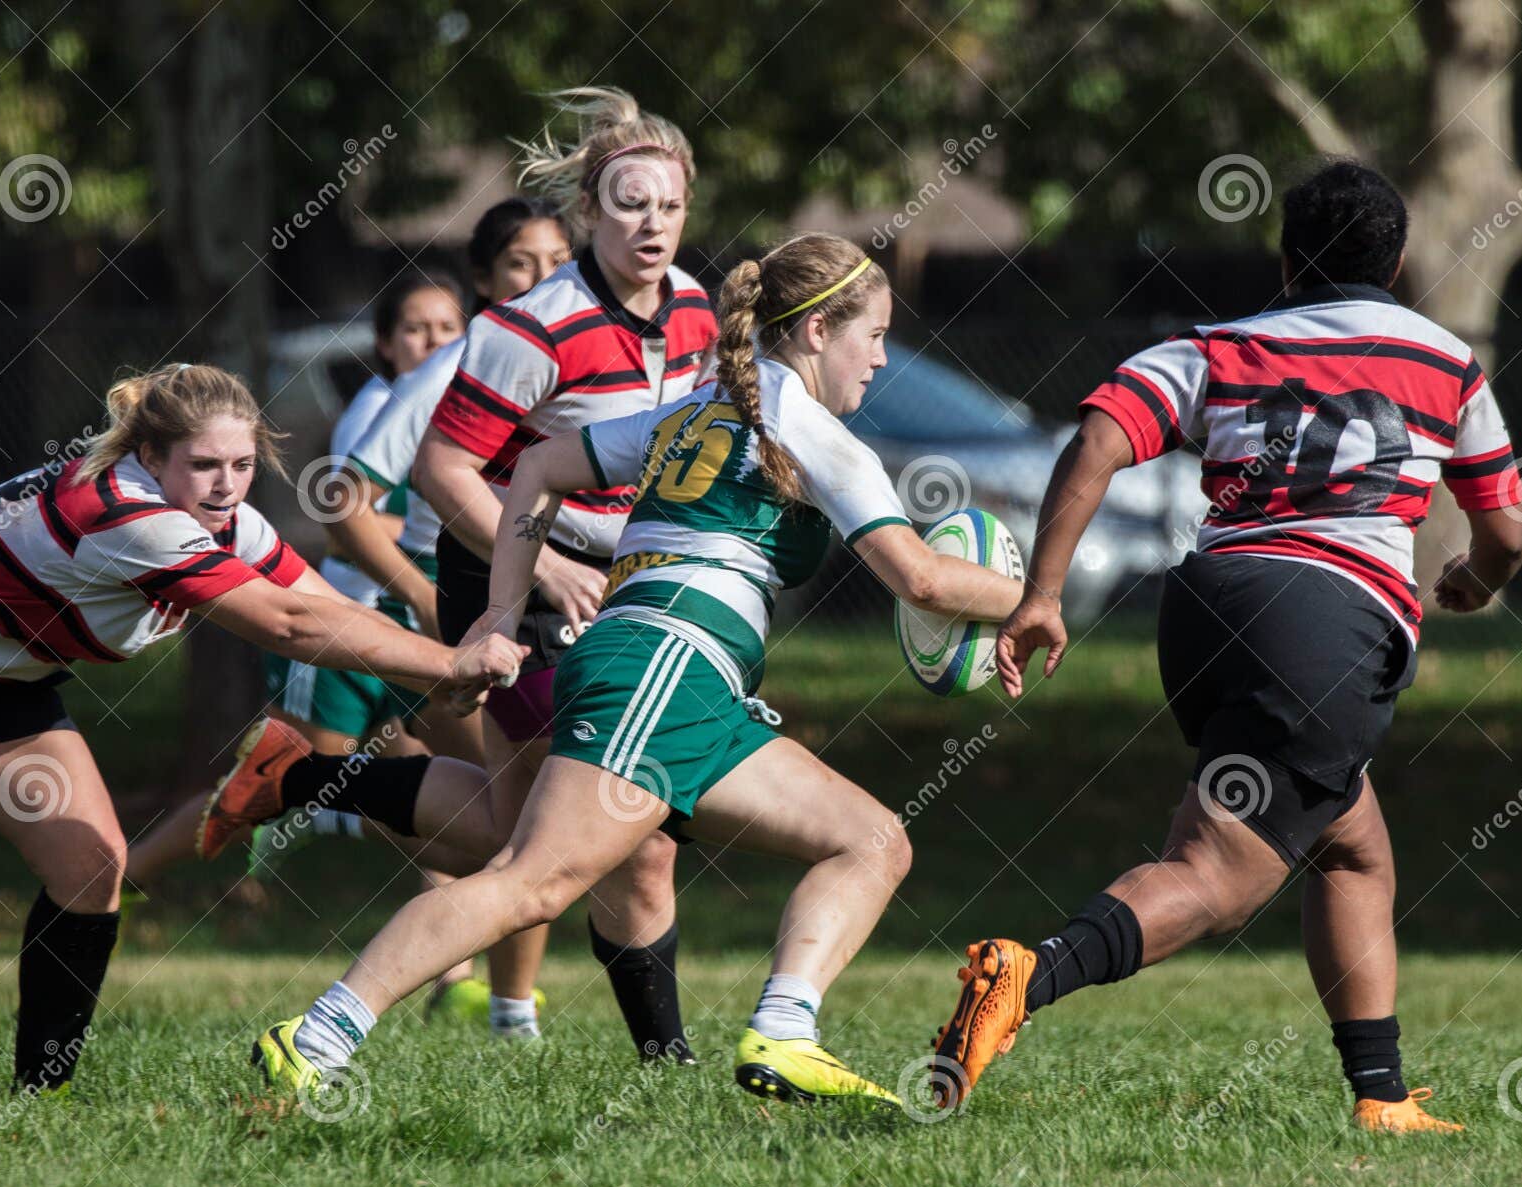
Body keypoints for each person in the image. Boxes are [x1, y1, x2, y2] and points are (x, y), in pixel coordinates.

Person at [249, 234, 1024, 1106]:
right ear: (813, 332)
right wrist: (1039, 602)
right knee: (529, 880)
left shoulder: (699, 404)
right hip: (663, 667)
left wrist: (506, 610)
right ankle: (313, 1037)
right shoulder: (808, 430)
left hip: (682, 680)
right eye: (873, 334)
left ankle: (785, 1035)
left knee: (872, 840)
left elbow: (538, 465)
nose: (882, 357)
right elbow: (918, 575)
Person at [928, 161, 1522, 1134]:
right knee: (1216, 875)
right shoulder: (1443, 360)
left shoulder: (1221, 347)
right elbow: (1505, 531)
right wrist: (1474, 581)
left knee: (1349, 846)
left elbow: (1098, 439)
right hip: (1325, 627)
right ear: (1401, 258)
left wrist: (1042, 594)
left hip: (1206, 609)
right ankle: (1027, 975)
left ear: (1287, 258)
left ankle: (1381, 1097)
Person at [0, 363, 523, 1094]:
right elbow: (289, 624)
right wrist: (451, 664)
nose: (225, 485)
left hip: (7, 690)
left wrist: (438, 676)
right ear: (151, 458)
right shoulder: (122, 515)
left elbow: (328, 606)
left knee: (90, 870)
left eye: (241, 465)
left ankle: (36, 1099)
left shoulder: (224, 521)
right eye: (203, 466)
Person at [409, 87, 719, 1063]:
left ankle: (315, 781)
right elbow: (442, 468)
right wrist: (540, 570)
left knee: (522, 833)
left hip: (623, 590)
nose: (651, 225)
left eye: (668, 207)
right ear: (589, 211)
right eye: (630, 204)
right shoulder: (529, 327)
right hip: (513, 582)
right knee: (631, 828)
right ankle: (665, 1066)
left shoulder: (700, 312)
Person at [305, 197, 574, 1037]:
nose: (542, 278)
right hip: (463, 614)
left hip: (554, 610)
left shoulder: (591, 362)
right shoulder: (450, 369)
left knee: (524, 826)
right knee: (536, 826)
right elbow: (340, 504)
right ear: (488, 281)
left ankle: (305, 783)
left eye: (558, 259)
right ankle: (505, 1015)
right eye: (521, 264)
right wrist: (423, 600)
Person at [123, 273, 469, 893]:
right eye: (416, 329)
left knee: (446, 792)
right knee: (274, 783)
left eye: (448, 329)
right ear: (386, 343)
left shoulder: (457, 414)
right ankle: (118, 882)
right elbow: (346, 524)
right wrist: (449, 535)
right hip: (345, 626)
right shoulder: (379, 409)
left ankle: (455, 975)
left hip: (403, 627)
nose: (433, 342)